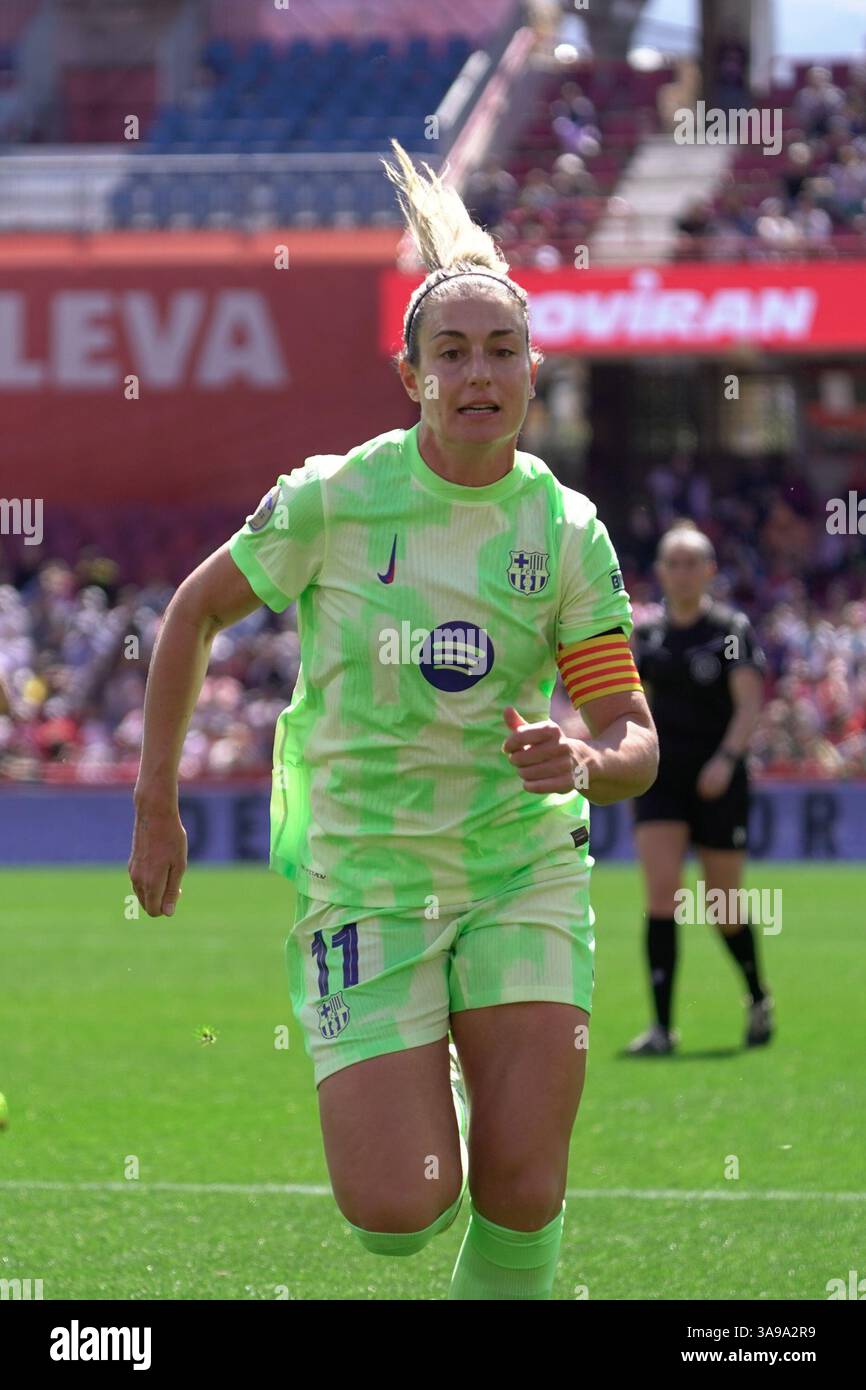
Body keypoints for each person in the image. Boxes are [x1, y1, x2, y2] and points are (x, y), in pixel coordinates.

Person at [128, 140, 658, 1301]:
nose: (478, 373)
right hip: (367, 877)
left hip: (521, 870)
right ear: (409, 374)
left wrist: (582, 757)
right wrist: (154, 800)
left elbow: (630, 736)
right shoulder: (332, 498)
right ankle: (430, 1083)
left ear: (532, 372)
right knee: (397, 1206)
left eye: (501, 350)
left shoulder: (566, 531)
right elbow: (192, 613)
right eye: (450, 353)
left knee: (522, 1185)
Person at [627, 520, 773, 1057]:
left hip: (718, 778)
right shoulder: (646, 637)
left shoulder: (731, 629)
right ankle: (662, 1028)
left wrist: (727, 760)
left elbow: (749, 705)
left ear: (709, 570)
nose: (683, 572)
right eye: (674, 563)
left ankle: (757, 996)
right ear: (661, 572)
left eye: (692, 563)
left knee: (721, 903)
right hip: (662, 779)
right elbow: (633, 707)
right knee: (661, 892)